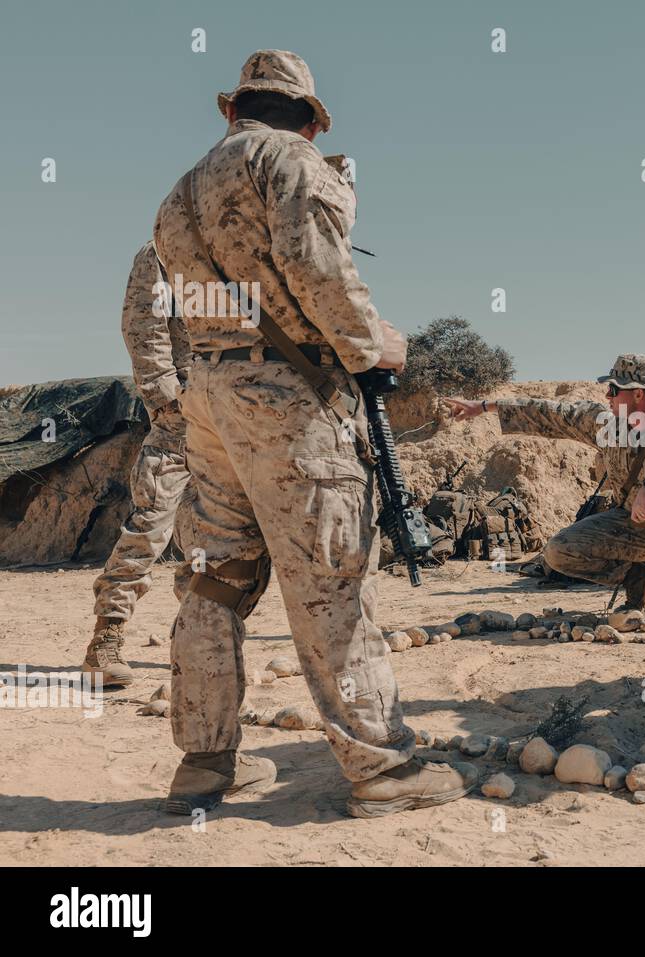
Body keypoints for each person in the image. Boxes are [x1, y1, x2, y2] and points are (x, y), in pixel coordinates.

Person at [154, 49, 475, 818]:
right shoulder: (293, 164)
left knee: (214, 578)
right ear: (309, 118)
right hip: (287, 401)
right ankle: (382, 768)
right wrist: (377, 345)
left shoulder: (177, 194)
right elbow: (318, 273)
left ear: (233, 110)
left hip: (211, 395)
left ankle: (204, 763)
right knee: (330, 580)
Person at [446, 354, 645, 622]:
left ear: (638, 394)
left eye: (614, 390)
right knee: (558, 551)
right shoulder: (607, 426)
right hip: (632, 524)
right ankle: (639, 581)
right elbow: (549, 414)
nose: (607, 397)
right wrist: (484, 406)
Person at [82, 242, 191, 689]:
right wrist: (169, 402)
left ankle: (198, 641)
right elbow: (144, 329)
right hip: (181, 419)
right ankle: (106, 639)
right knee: (148, 526)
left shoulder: (254, 247)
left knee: (221, 539)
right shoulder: (164, 251)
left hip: (239, 415)